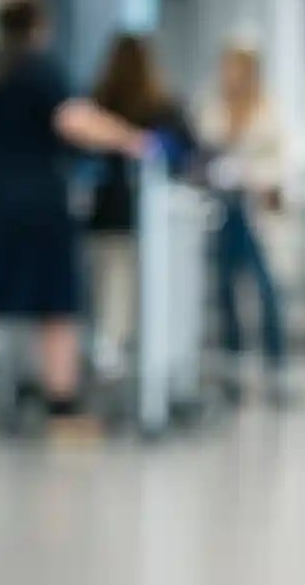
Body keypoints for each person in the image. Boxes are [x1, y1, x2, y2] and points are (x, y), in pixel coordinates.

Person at [0, 0, 151, 437]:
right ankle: (62, 410)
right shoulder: (43, 70)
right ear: (40, 26)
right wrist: (130, 138)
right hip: (36, 203)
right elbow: (73, 121)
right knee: (54, 307)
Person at [85, 33, 195, 380]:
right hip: (154, 221)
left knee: (110, 290)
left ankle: (111, 352)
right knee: (146, 295)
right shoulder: (162, 107)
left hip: (108, 214)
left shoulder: (98, 105)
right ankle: (144, 364)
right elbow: (187, 153)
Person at [199, 44, 288, 406]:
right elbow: (201, 152)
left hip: (256, 209)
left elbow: (281, 163)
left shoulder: (269, 110)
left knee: (266, 290)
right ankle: (230, 373)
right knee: (224, 291)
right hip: (222, 208)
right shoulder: (211, 107)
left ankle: (275, 370)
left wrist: (251, 176)